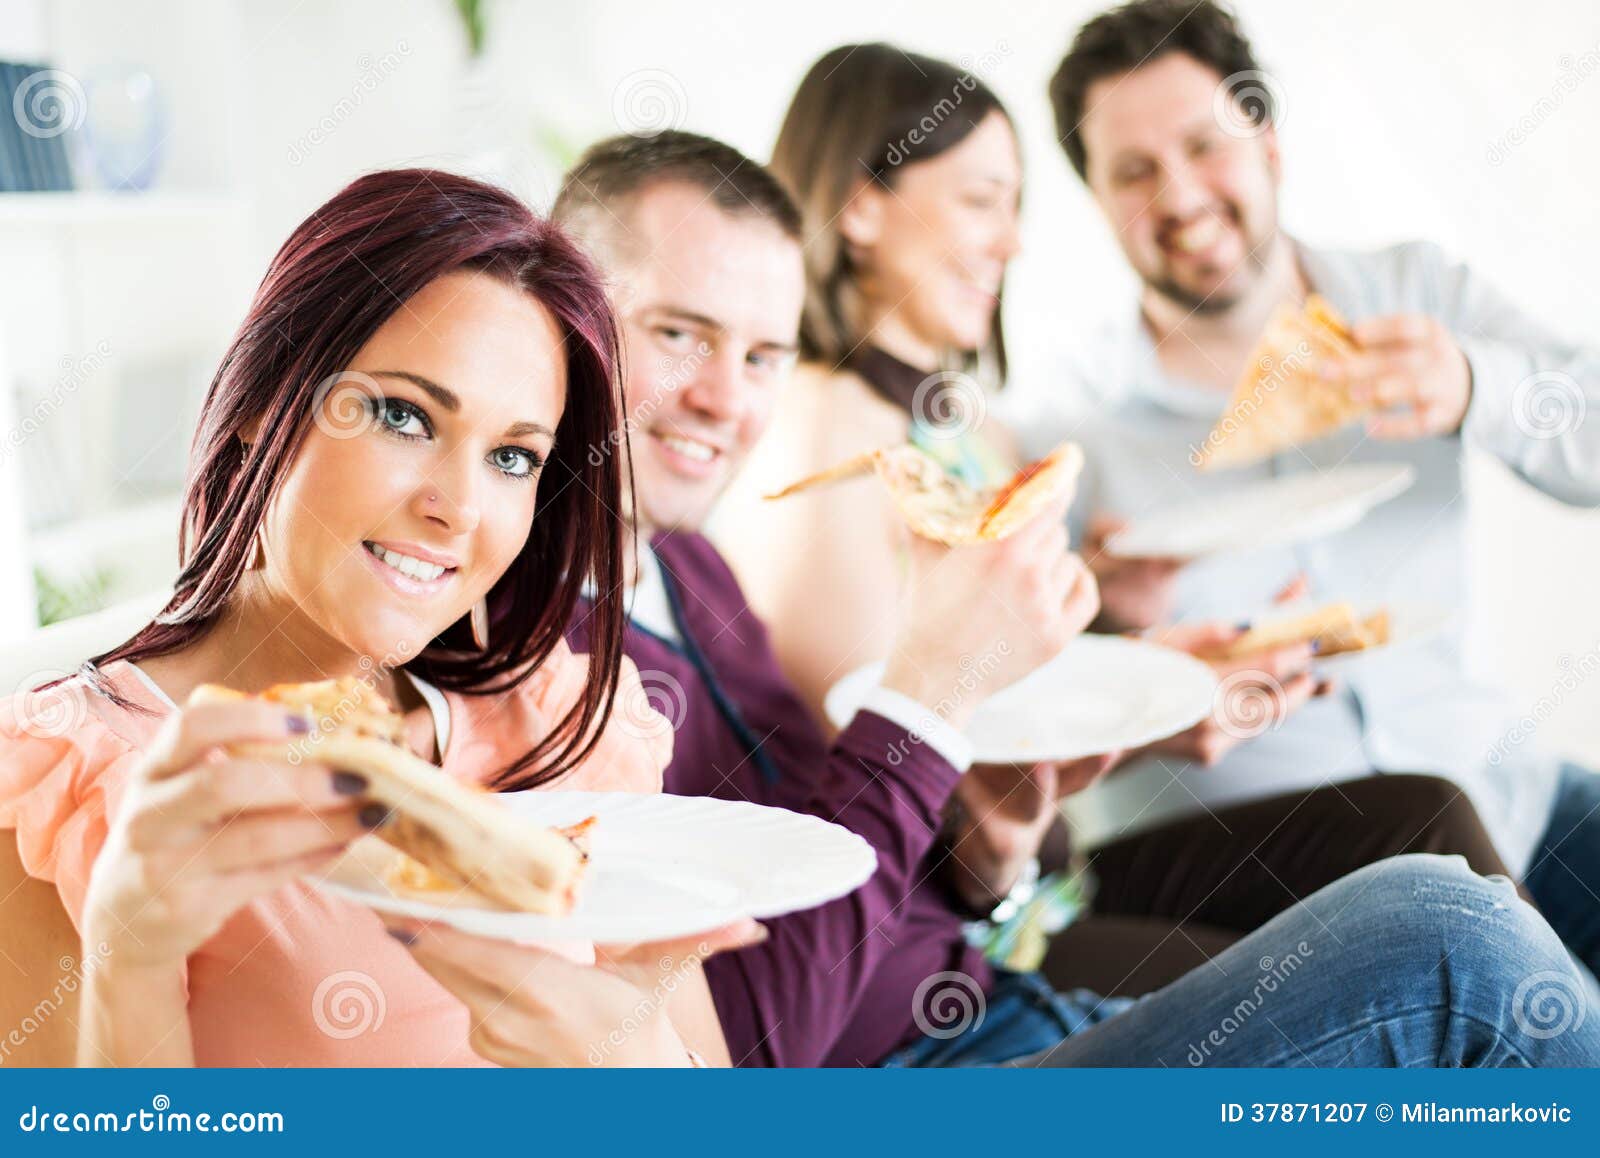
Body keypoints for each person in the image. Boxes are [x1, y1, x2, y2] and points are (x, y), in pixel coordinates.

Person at [553, 129, 1600, 1068]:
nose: (728, 398)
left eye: (761, 353)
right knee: (1447, 938)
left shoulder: (692, 570)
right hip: (931, 1066)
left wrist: (991, 851)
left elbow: (875, 842)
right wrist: (936, 697)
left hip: (997, 990)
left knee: (1437, 845)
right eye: (681, 335)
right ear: (568, 317)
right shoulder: (556, 658)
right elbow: (753, 1043)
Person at [710, 41, 1530, 998]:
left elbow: (1000, 680)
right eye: (980, 201)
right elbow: (894, 766)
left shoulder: (966, 426)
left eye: (1015, 206)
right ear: (860, 206)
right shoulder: (830, 436)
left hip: (1053, 875)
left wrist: (1131, 633)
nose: (1012, 242)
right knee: (1379, 982)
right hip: (975, 929)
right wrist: (1159, 719)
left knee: (1425, 823)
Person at [0, 168, 756, 1068]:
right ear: (258, 403)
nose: (460, 510)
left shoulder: (561, 723)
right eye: (404, 415)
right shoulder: (71, 783)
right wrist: (135, 962)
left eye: (514, 458)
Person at [1005, 0, 1600, 976]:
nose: (1181, 195)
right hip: (1275, 867)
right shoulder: (1061, 428)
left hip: (1504, 786)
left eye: (1205, 145)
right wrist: (1107, 627)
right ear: (1096, 200)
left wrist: (1477, 384)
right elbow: (1012, 707)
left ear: (1268, 141)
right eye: (1134, 171)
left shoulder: (1416, 296)